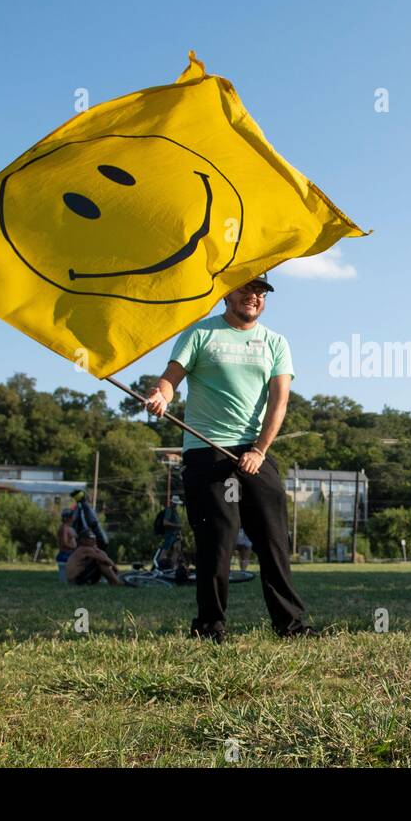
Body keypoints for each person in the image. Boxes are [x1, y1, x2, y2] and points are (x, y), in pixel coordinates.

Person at [144, 275, 314, 643]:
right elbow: (170, 379)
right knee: (216, 541)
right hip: (207, 453)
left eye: (260, 291)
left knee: (274, 541)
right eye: (246, 289)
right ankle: (210, 627)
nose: (253, 296)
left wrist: (259, 450)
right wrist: (162, 396)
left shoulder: (275, 343)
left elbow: (279, 401)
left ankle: (292, 625)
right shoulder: (200, 334)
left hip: (254, 451)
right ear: (227, 293)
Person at [152, 496, 183, 571]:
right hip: (170, 534)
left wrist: (179, 532)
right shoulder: (169, 510)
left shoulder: (175, 511)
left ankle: (171, 566)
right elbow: (165, 522)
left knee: (178, 549)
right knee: (165, 550)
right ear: (172, 502)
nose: (176, 504)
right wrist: (176, 525)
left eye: (177, 503)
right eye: (175, 503)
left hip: (176, 534)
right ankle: (160, 567)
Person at [56, 508, 77, 581]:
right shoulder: (64, 528)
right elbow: (64, 543)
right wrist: (74, 548)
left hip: (70, 553)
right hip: (65, 554)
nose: (73, 517)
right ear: (67, 518)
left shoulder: (69, 527)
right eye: (71, 516)